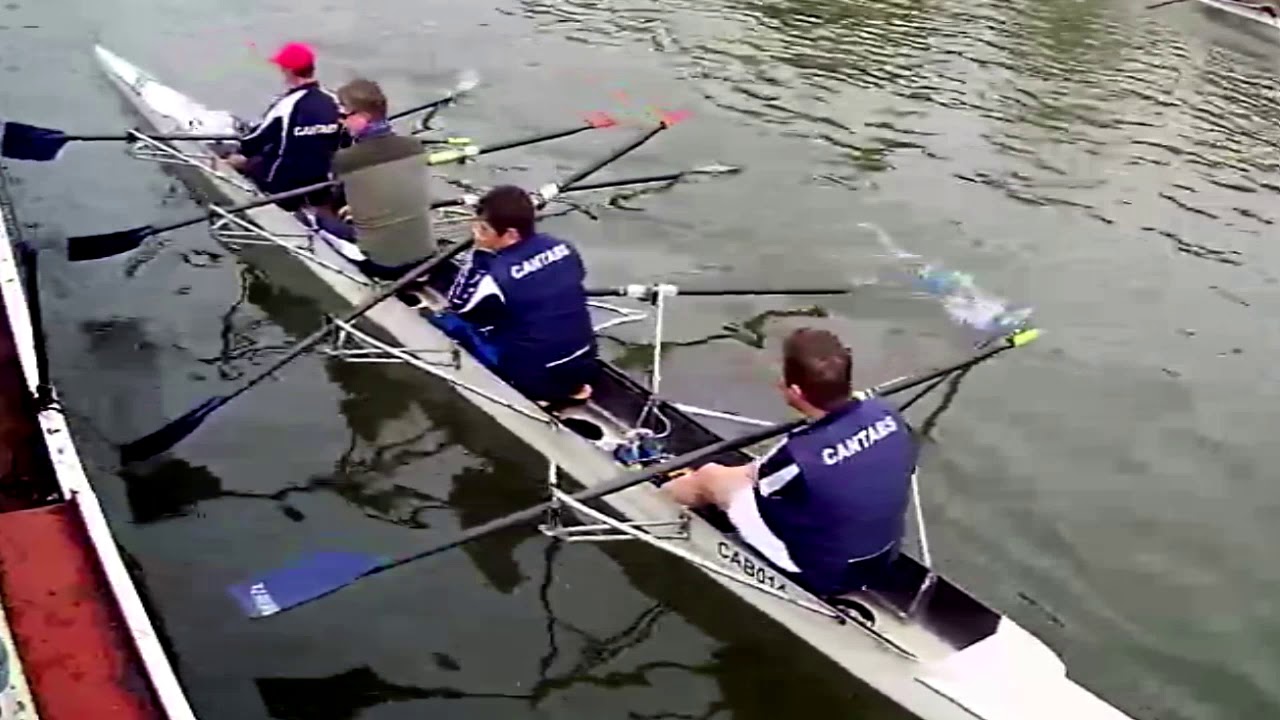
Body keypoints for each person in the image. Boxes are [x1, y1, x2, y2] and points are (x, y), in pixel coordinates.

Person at [663, 328, 918, 597]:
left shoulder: (799, 454)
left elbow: (754, 481)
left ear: (795, 391)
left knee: (709, 476)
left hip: (824, 577)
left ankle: (649, 499)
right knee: (765, 479)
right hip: (882, 560)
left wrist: (716, 479)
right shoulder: (889, 415)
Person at [432, 185, 598, 408]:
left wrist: (479, 252)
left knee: (449, 321)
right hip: (587, 362)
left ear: (510, 234)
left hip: (537, 377)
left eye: (483, 229)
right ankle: (575, 388)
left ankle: (537, 393)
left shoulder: (496, 274)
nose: (477, 232)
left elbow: (459, 303)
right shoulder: (564, 247)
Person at [307, 78, 436, 281]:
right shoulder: (415, 146)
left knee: (320, 215)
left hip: (383, 265)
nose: (340, 121)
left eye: (343, 115)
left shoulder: (347, 158)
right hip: (428, 257)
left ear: (364, 117)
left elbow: (336, 196)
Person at [223, 42, 343, 212]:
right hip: (322, 186)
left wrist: (238, 154)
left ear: (288, 70)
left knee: (240, 159)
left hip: (282, 188)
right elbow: (346, 138)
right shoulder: (334, 101)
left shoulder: (286, 105)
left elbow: (254, 140)